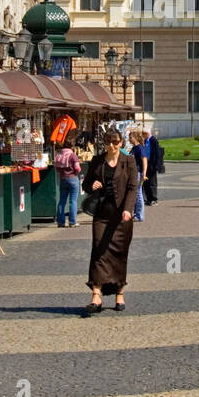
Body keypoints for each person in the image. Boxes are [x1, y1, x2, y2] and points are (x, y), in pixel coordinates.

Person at [82, 130, 138, 314]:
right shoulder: (97, 161)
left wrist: (128, 209)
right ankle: (96, 294)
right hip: (102, 215)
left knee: (119, 254)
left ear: (121, 143)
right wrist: (92, 186)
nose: (112, 146)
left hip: (121, 216)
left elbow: (132, 187)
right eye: (109, 142)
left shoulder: (128, 161)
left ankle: (119, 292)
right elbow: (86, 184)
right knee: (98, 251)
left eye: (115, 142)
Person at [53, 131, 83, 228]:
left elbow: (56, 168)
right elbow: (78, 168)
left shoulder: (59, 154)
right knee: (73, 201)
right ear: (72, 145)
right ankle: (72, 221)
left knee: (62, 200)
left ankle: (61, 222)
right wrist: (75, 171)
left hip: (63, 179)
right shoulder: (73, 155)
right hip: (73, 178)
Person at [128, 129, 148, 222]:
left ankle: (139, 215)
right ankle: (137, 214)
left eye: (130, 137)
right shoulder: (134, 148)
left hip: (138, 173)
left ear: (135, 138)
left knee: (138, 193)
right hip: (134, 173)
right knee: (136, 193)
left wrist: (144, 173)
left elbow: (144, 160)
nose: (129, 139)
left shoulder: (139, 148)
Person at [144, 129, 163, 205]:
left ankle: (154, 198)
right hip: (146, 163)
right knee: (146, 182)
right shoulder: (145, 141)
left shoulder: (153, 140)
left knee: (152, 182)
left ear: (147, 133)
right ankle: (148, 198)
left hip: (152, 164)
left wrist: (157, 165)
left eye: (143, 134)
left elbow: (157, 153)